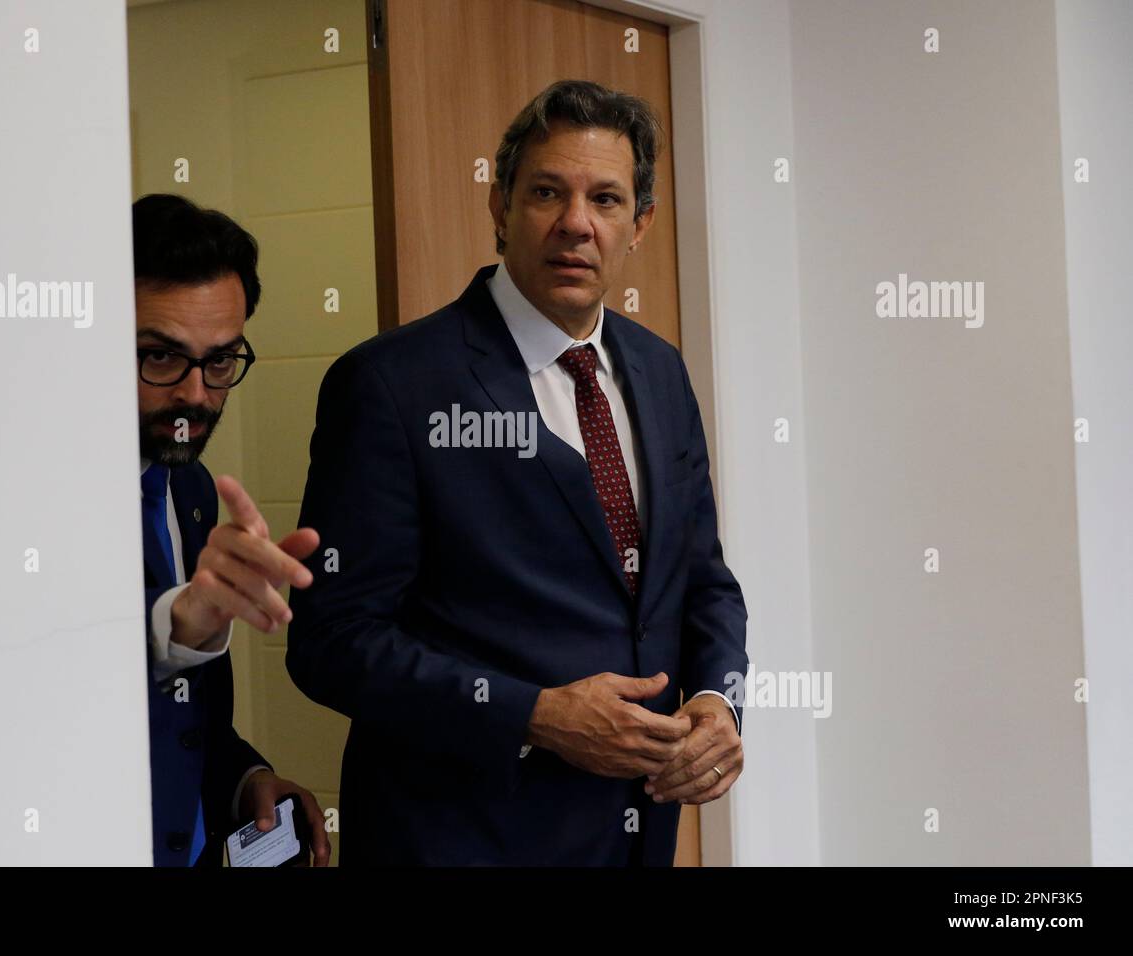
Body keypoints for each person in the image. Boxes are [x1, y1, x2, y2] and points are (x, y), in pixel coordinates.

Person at [287, 81, 748, 866]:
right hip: (458, 838)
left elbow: (702, 581)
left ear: (639, 225)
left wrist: (717, 702)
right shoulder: (394, 385)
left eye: (605, 199)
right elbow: (332, 640)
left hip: (635, 834)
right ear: (499, 206)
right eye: (545, 192)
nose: (575, 223)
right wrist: (531, 713)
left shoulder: (661, 372)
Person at [133, 194, 330, 866]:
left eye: (220, 362)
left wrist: (243, 780)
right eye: (160, 357)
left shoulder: (189, 488)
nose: (194, 394)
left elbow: (184, 718)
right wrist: (176, 626)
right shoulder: (23, 495)